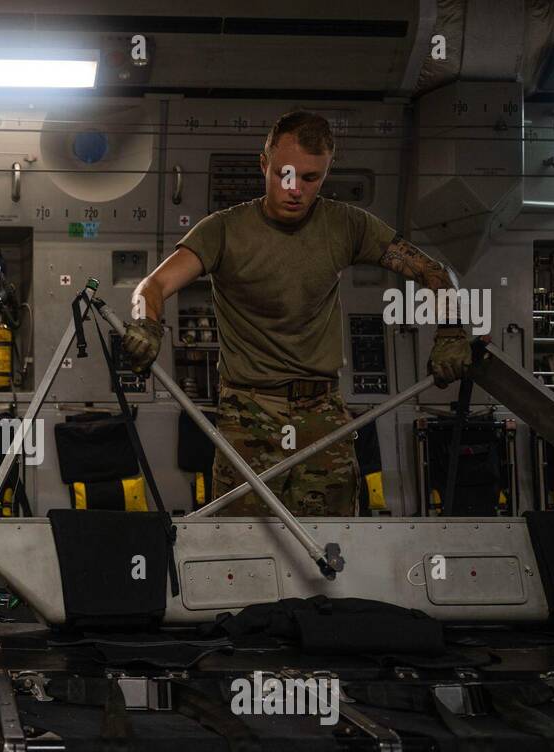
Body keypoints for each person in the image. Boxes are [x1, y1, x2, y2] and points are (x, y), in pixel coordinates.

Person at [124, 109, 471, 515]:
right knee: (239, 547)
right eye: (284, 174)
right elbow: (152, 286)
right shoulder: (223, 230)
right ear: (264, 164)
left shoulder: (345, 225)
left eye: (310, 179)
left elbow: (434, 271)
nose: (295, 189)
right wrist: (146, 322)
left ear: (326, 174)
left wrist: (451, 332)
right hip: (247, 412)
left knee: (333, 546)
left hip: (321, 413)